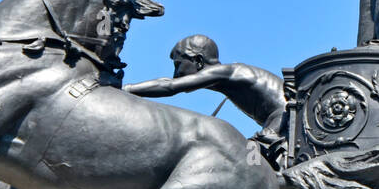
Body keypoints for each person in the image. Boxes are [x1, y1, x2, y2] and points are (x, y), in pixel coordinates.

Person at [122, 35, 286, 141]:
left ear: (198, 61)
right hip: (282, 116)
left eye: (178, 65)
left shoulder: (225, 71)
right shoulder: (226, 78)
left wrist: (126, 89)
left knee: (254, 156)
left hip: (284, 115)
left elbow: (170, 86)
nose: (175, 73)